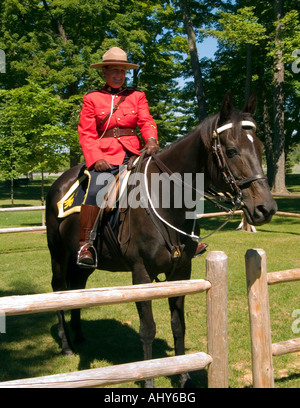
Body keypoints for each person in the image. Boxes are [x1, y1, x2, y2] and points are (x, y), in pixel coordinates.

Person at [77, 47, 159, 266]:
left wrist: (151, 139)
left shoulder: (137, 96)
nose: (119, 75)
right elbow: (86, 133)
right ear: (104, 72)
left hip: (134, 152)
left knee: (168, 181)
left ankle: (184, 236)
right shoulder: (92, 98)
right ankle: (86, 245)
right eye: (114, 70)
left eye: (122, 71)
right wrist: (95, 159)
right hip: (105, 156)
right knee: (95, 188)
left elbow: (146, 121)